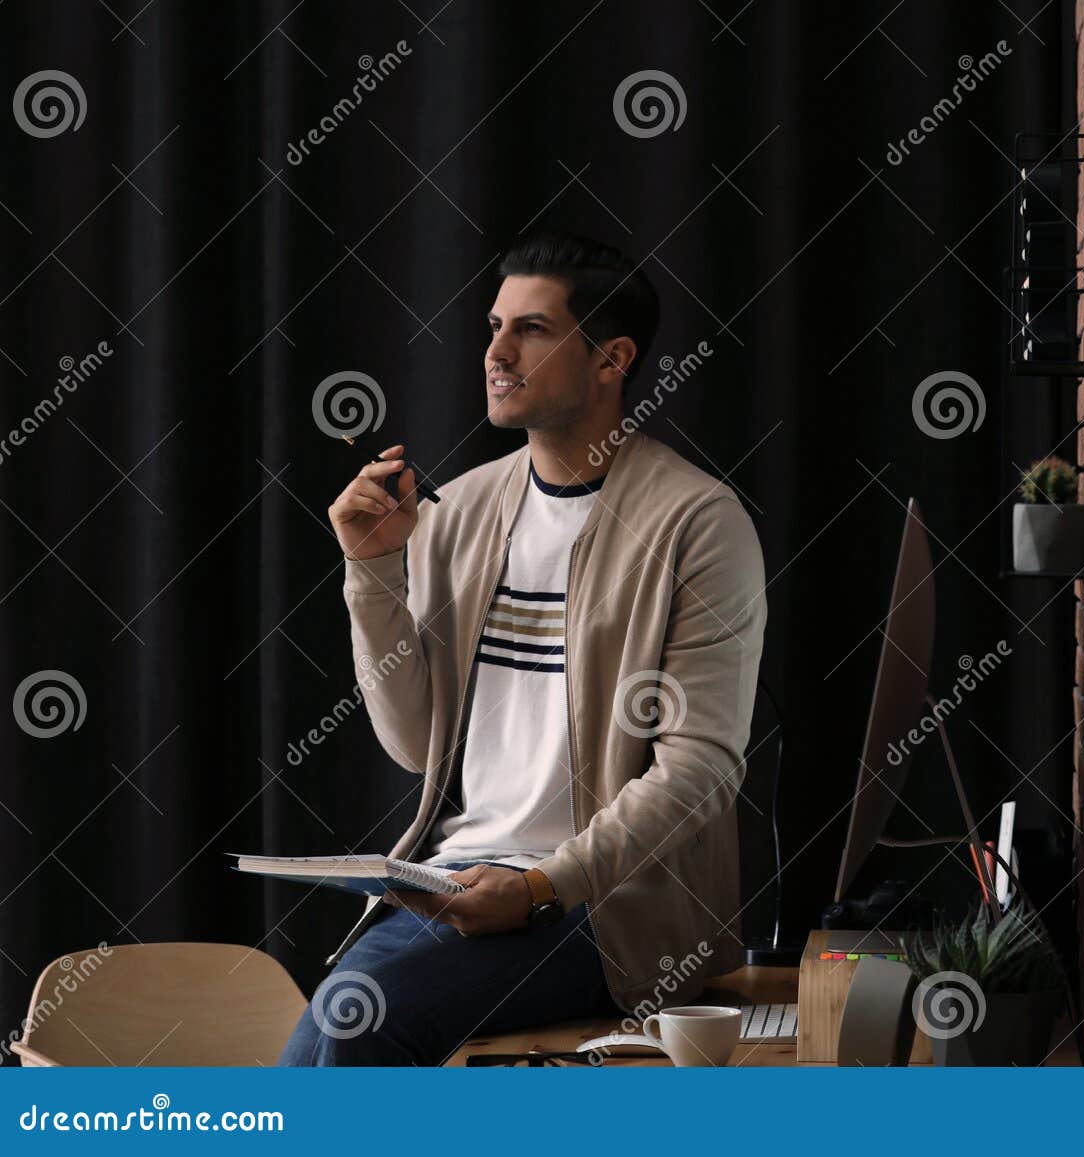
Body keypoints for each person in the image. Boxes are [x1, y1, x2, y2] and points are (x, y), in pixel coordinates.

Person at [278, 229, 767, 1065]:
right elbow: (411, 744)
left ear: (612, 359)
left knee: (352, 1020)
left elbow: (701, 771)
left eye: (531, 330)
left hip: (606, 906)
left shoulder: (698, 523)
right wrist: (373, 571)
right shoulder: (460, 510)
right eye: (495, 326)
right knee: (341, 1021)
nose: (495, 352)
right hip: (453, 882)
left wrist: (542, 885)